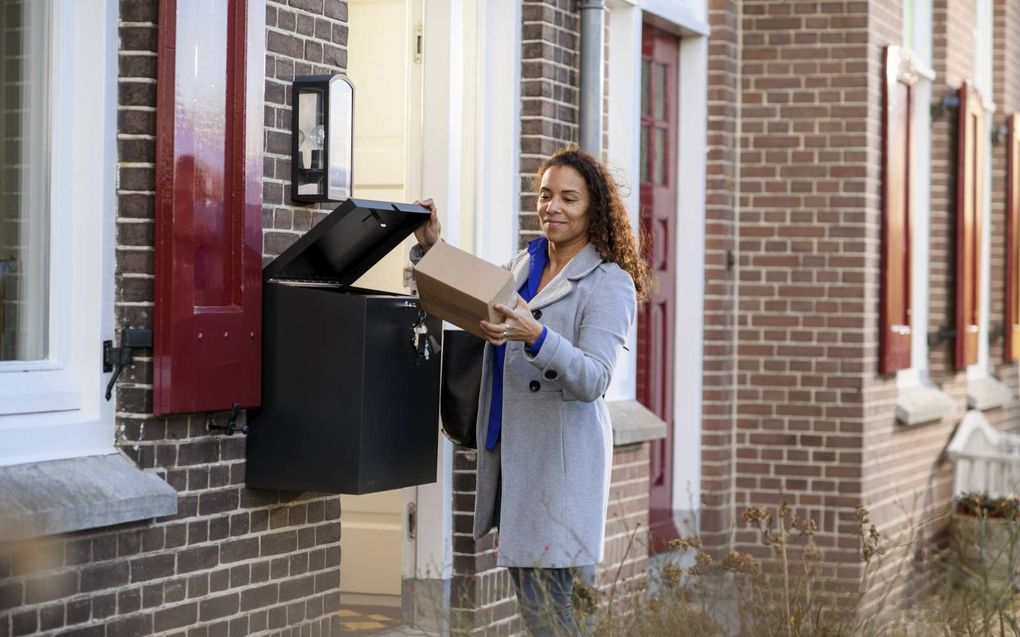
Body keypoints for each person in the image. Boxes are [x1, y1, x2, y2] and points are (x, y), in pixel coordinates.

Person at [410, 146, 650, 636]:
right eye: (545, 195)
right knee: (539, 606)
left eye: (568, 198)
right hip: (514, 457)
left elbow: (595, 379)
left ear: (592, 208)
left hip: (560, 467)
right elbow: (474, 292)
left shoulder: (609, 282)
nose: (552, 207)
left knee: (552, 613)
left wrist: (536, 338)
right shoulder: (524, 263)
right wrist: (432, 246)